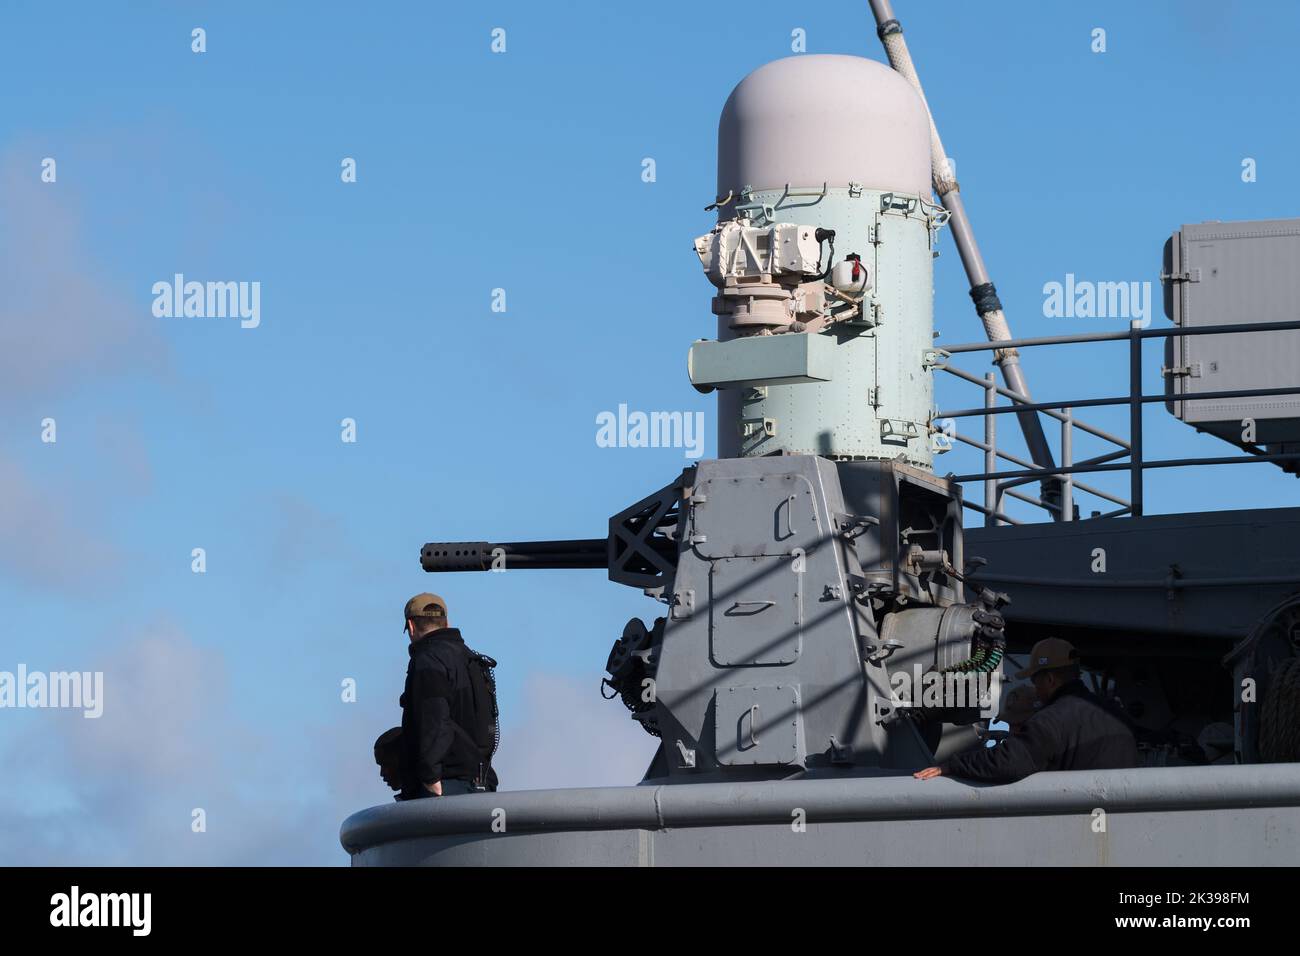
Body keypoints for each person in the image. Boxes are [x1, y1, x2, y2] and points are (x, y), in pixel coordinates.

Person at [914, 637, 1137, 784]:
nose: (1034, 688)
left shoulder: (1051, 720)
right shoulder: (1116, 714)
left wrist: (953, 766)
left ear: (1050, 679)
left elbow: (1008, 762)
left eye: (1035, 680)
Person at [378, 592, 499, 799]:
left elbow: (434, 720)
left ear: (411, 626)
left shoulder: (427, 660)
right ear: (446, 622)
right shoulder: (472, 659)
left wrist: (430, 779)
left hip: (445, 785)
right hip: (480, 783)